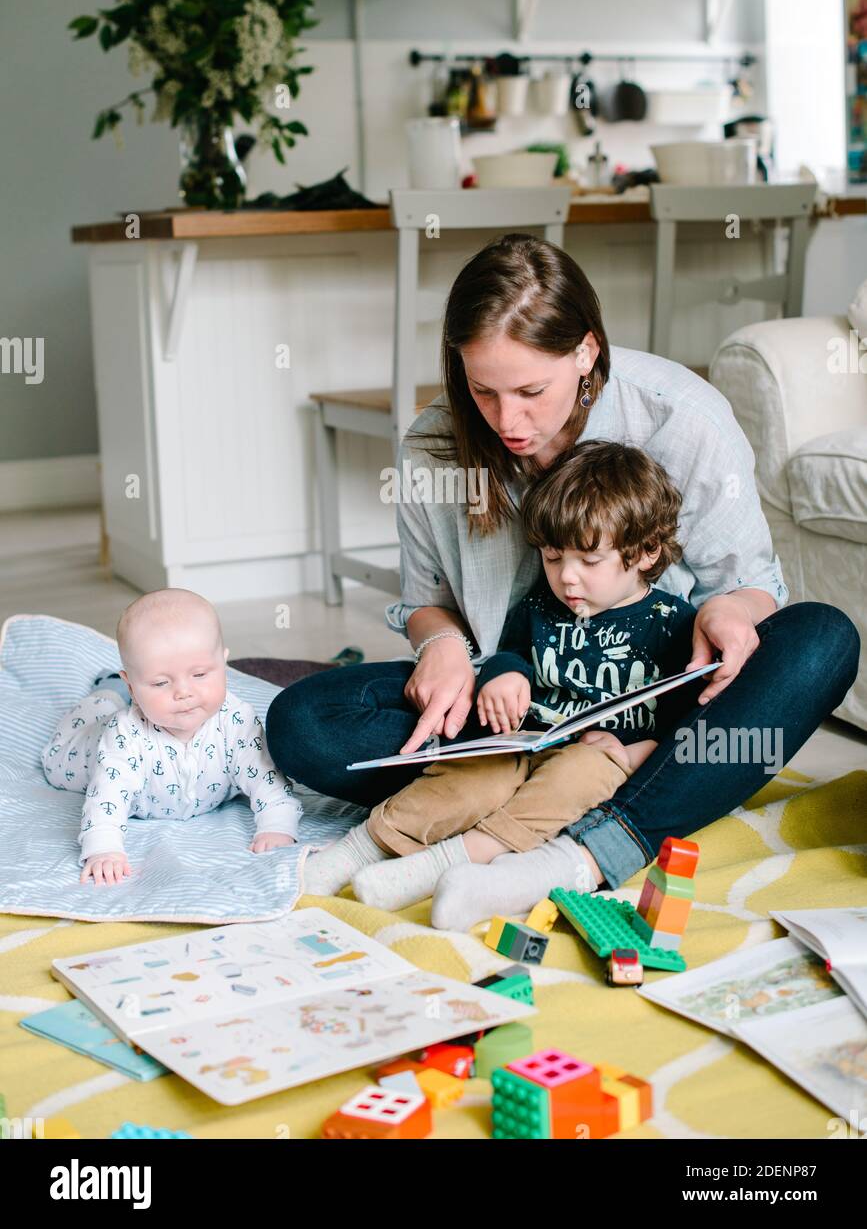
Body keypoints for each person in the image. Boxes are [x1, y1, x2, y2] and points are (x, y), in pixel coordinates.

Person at [266, 233, 859, 930]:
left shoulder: (679, 418)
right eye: (481, 390)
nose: (507, 421)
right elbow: (427, 605)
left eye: (529, 391)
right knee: (302, 723)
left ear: (584, 352)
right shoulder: (435, 442)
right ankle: (617, 795)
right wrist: (442, 650)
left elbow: (751, 583)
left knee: (820, 640)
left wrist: (729, 612)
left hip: (640, 728)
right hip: (508, 712)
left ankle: (572, 856)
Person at [304, 441, 698, 922]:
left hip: (605, 756)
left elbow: (687, 718)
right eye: (553, 559)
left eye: (588, 563)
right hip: (524, 740)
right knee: (469, 779)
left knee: (573, 782)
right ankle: (360, 850)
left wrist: (636, 752)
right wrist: (505, 676)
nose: (567, 579)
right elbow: (509, 652)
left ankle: (445, 865)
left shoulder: (672, 623)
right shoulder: (541, 607)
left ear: (646, 551)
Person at [42, 589, 300, 885]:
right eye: (161, 682)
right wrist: (103, 848)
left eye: (200, 675)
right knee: (69, 745)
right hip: (87, 744)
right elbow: (106, 798)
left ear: (223, 663)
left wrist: (277, 826)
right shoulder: (124, 735)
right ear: (133, 685)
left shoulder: (236, 720)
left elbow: (270, 782)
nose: (183, 692)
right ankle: (109, 688)